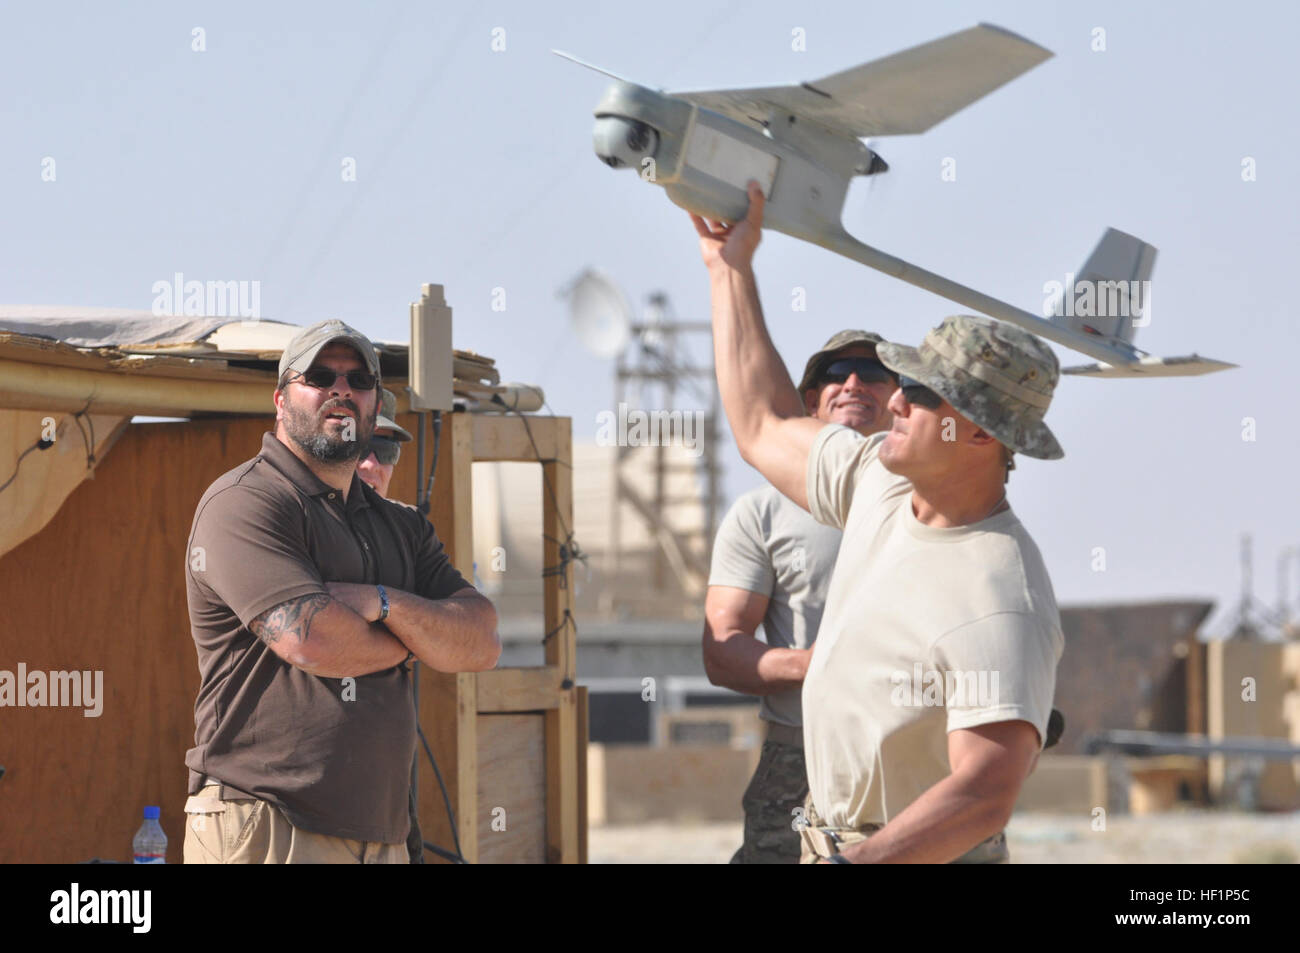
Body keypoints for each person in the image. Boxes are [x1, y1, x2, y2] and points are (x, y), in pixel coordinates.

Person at [691, 184, 1064, 864]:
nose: (893, 399)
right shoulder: (880, 486)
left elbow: (984, 791)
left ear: (979, 433)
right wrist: (730, 270)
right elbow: (764, 422)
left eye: (918, 393)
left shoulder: (1001, 594)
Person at [182, 319, 499, 864]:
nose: (342, 390)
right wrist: (419, 638)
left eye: (359, 380)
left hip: (382, 832)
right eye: (321, 375)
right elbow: (314, 644)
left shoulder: (400, 525)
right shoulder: (245, 502)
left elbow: (482, 643)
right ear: (280, 400)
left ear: (375, 404)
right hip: (271, 821)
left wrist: (384, 603)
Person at [706, 330, 896, 864]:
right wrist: (821, 665)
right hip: (801, 758)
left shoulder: (934, 498)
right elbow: (723, 650)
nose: (853, 383)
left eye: (874, 372)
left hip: (911, 757)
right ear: (811, 402)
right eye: (835, 374)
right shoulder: (759, 515)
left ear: (900, 398)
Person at [357, 388, 411, 499]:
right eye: (357, 447)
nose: (370, 466)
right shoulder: (311, 514)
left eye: (387, 449)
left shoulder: (406, 516)